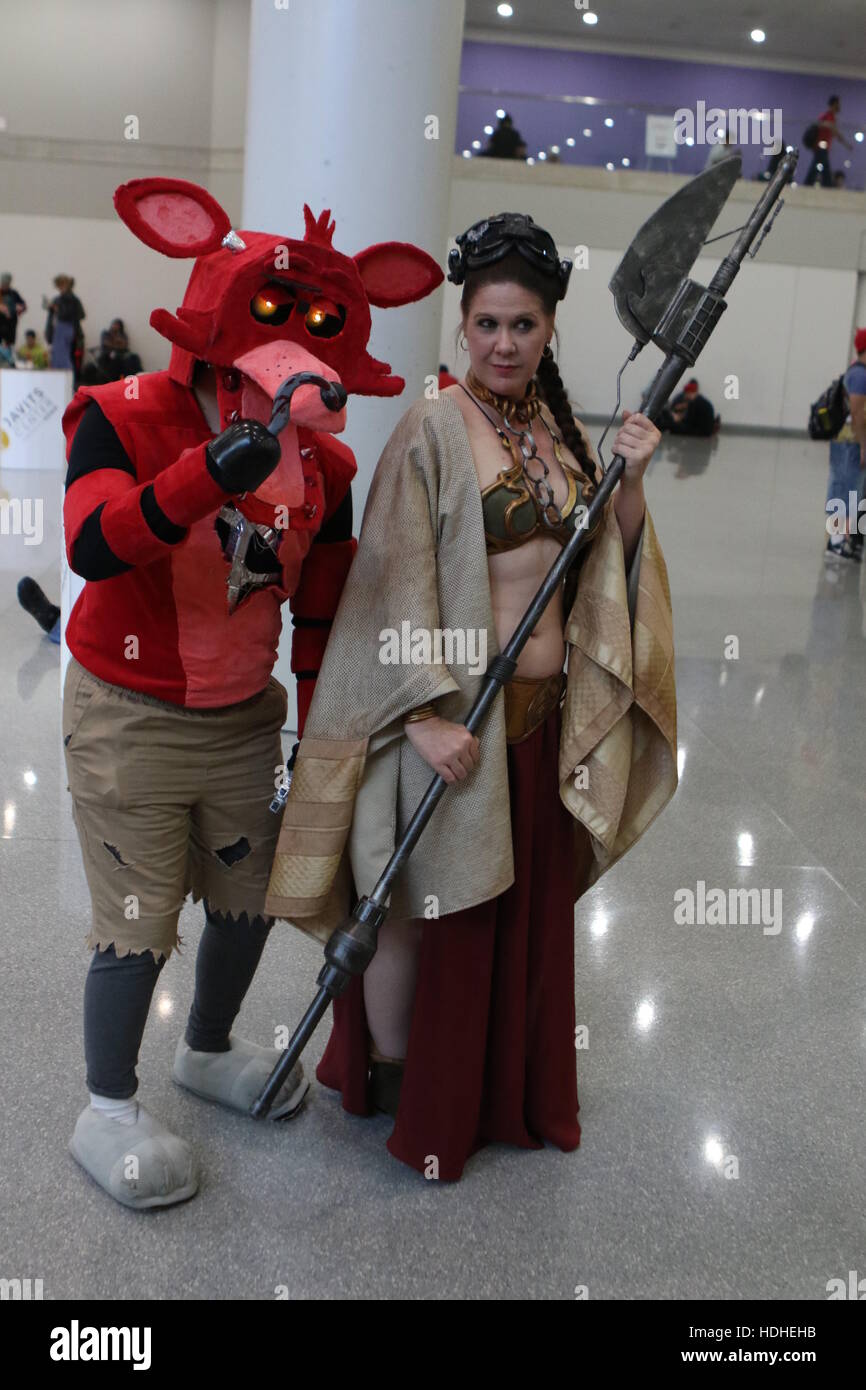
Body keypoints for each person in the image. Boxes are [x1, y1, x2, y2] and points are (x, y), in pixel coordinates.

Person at [266, 212, 678, 1181]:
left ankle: (501, 1092)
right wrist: (422, 715)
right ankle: (412, 1087)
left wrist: (631, 481)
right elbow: (386, 586)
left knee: (517, 913)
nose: (504, 343)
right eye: (487, 324)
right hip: (458, 722)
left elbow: (607, 570)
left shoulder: (556, 429)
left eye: (523, 326)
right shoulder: (431, 429)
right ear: (461, 328)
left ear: (548, 332)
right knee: (427, 907)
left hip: (541, 719)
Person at [61, 175, 443, 1210]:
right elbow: (94, 544)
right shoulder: (120, 412)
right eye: (274, 314)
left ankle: (206, 1048)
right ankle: (105, 1101)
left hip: (242, 718)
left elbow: (320, 604)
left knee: (246, 897)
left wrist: (323, 731)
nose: (293, 347)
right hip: (126, 712)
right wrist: (207, 473)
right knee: (136, 917)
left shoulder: (324, 465)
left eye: (321, 326)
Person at [825, 327, 866, 561]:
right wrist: (863, 446)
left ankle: (840, 540)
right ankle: (836, 542)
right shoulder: (860, 376)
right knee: (845, 492)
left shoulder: (857, 372)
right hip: (850, 443)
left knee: (847, 491)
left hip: (848, 442)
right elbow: (858, 414)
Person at [804, 96, 853, 188]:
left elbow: (834, 132)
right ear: (834, 104)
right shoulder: (827, 116)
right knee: (820, 167)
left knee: (823, 166)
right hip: (820, 146)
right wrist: (846, 144)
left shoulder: (830, 117)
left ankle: (824, 185)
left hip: (823, 147)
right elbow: (831, 129)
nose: (839, 106)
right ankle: (818, 184)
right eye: (838, 104)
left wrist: (846, 144)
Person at [44, 274, 86, 378]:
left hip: (66, 328)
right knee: (57, 356)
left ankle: (67, 378)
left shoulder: (71, 299)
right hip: (59, 329)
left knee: (63, 357)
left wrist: (57, 309)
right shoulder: (59, 299)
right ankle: (61, 378)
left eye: (61, 285)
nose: (60, 288)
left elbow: (75, 314)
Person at [0, 272, 27, 347]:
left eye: (7, 283)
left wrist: (20, 308)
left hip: (10, 325)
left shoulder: (14, 293)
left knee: (9, 345)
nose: (5, 285)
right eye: (3, 282)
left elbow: (23, 305)